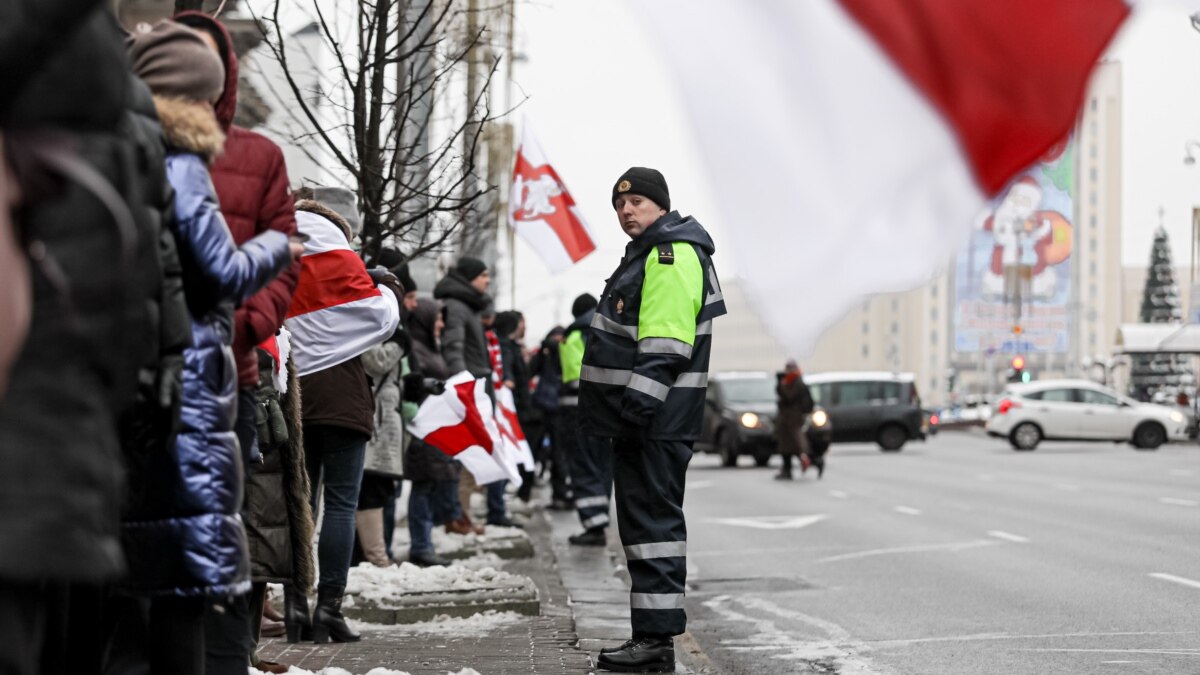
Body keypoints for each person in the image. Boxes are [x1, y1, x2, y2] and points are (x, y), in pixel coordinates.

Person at [123, 20, 300, 674]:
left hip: (160, 371)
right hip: (191, 381)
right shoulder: (181, 159)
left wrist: (248, 323)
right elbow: (228, 265)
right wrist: (278, 250)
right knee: (193, 570)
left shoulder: (118, 149)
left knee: (145, 567)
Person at [170, 11, 306, 668]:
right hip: (154, 377)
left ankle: (229, 656)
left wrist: (246, 324)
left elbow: (285, 255)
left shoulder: (258, 155)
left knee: (232, 533)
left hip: (235, 378)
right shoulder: (141, 145)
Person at [580, 167, 726, 672]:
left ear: (660, 205)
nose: (626, 211)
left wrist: (636, 410)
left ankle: (656, 646)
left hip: (654, 421)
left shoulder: (668, 255)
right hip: (647, 422)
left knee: (655, 529)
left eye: (637, 202)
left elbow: (665, 346)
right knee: (645, 531)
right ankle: (651, 640)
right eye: (620, 205)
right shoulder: (650, 255)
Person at [286, 190, 401, 644]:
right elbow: (381, 322)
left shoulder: (279, 260)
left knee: (300, 504)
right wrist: (387, 285)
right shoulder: (344, 269)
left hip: (293, 394)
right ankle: (329, 609)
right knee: (341, 505)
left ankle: (295, 603)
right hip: (344, 399)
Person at [435, 257, 494, 533]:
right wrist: (462, 387)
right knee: (466, 456)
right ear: (469, 278)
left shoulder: (466, 305)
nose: (487, 280)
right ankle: (459, 517)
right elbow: (454, 347)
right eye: (483, 275)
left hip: (474, 385)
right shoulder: (458, 306)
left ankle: (463, 515)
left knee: (472, 456)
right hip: (469, 388)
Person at [405, 298, 464, 566]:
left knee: (429, 485)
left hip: (434, 426)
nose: (441, 324)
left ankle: (424, 543)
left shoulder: (430, 347)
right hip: (422, 427)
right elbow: (411, 384)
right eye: (438, 318)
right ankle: (420, 545)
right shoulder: (416, 348)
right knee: (423, 486)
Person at [560, 293, 615, 546]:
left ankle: (594, 526)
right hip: (607, 412)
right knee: (603, 467)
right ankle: (600, 519)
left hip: (578, 413)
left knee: (585, 468)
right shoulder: (611, 326)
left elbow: (573, 377)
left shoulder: (572, 337)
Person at [529, 326, 571, 510]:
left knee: (556, 455)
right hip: (549, 407)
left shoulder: (561, 350)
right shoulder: (546, 354)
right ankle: (559, 495)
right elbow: (530, 370)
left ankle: (560, 494)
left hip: (553, 407)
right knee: (552, 454)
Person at [775, 359, 816, 480]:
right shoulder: (789, 381)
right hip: (787, 419)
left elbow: (789, 396)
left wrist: (781, 385)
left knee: (797, 444)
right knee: (787, 446)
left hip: (792, 419)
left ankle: (814, 461)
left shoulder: (796, 382)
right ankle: (787, 469)